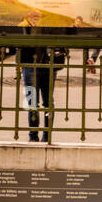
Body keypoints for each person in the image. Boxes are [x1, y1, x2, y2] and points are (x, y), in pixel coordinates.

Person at [18, 10, 65, 141]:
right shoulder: (23, 26)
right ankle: (33, 136)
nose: (36, 19)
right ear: (27, 16)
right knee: (32, 102)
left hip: (48, 65)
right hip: (29, 65)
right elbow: (21, 43)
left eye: (38, 16)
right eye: (33, 16)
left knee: (48, 102)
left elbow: (59, 40)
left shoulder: (50, 24)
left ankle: (47, 135)